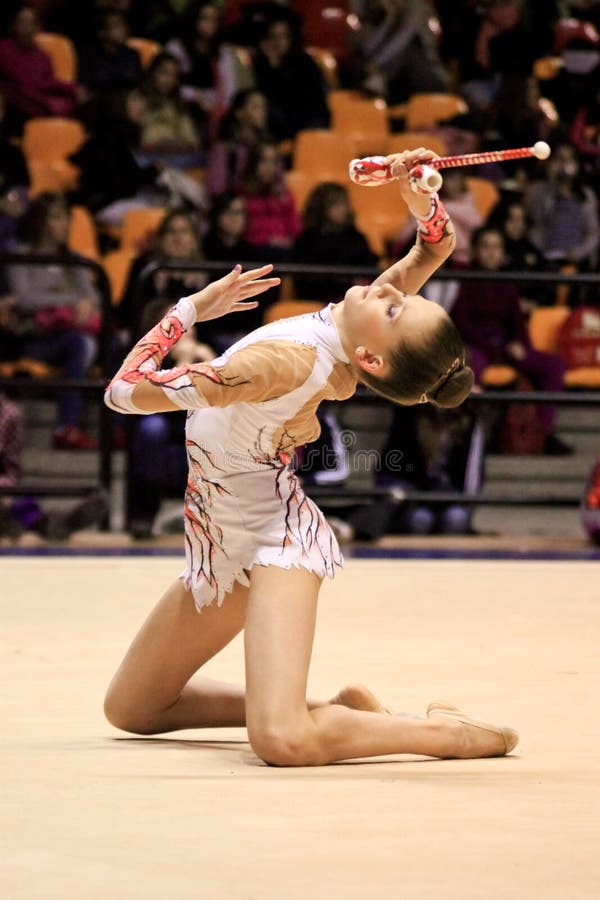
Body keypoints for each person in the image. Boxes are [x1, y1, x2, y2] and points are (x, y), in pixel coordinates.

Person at [103, 148, 518, 767]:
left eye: (396, 306)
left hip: (274, 538)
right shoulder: (355, 332)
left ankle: (448, 735)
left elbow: (121, 391)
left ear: (373, 359)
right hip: (220, 541)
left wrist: (191, 309)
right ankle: (334, 710)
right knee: (134, 708)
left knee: (282, 741)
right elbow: (435, 248)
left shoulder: (286, 363)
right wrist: (419, 198)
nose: (389, 287)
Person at [450, 226, 571, 456]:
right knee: (472, 364)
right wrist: (498, 347)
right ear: (475, 251)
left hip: (506, 346)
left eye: (496, 247)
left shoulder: (507, 282)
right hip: (478, 346)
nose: (491, 252)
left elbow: (517, 323)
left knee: (554, 366)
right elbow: (461, 326)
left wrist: (520, 345)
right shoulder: (465, 281)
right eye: (486, 247)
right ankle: (469, 436)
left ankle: (541, 433)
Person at [6, 192, 101, 450]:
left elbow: (93, 298)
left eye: (65, 218)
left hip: (70, 333)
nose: (65, 225)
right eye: (57, 218)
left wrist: (83, 305)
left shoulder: (73, 260)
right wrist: (70, 302)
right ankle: (65, 428)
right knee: (81, 344)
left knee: (113, 344)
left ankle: (116, 427)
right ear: (40, 222)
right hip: (33, 337)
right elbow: (25, 299)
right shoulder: (21, 256)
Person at [0, 3, 79, 131]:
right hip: (13, 106)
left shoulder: (42, 56)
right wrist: (49, 100)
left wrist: (73, 89)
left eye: (31, 23)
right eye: (22, 22)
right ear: (13, 25)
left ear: (37, 27)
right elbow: (25, 82)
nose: (26, 27)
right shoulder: (3, 49)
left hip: (38, 104)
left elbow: (47, 82)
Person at [292, 182, 377, 301]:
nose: (343, 209)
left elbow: (367, 271)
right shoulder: (306, 240)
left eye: (344, 204)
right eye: (336, 205)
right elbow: (304, 284)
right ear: (321, 208)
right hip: (317, 299)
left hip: (353, 298)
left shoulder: (357, 238)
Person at [204, 89, 271, 198]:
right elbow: (216, 191)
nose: (263, 112)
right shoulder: (224, 150)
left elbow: (279, 186)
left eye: (264, 107)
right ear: (239, 113)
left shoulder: (269, 147)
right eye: (256, 107)